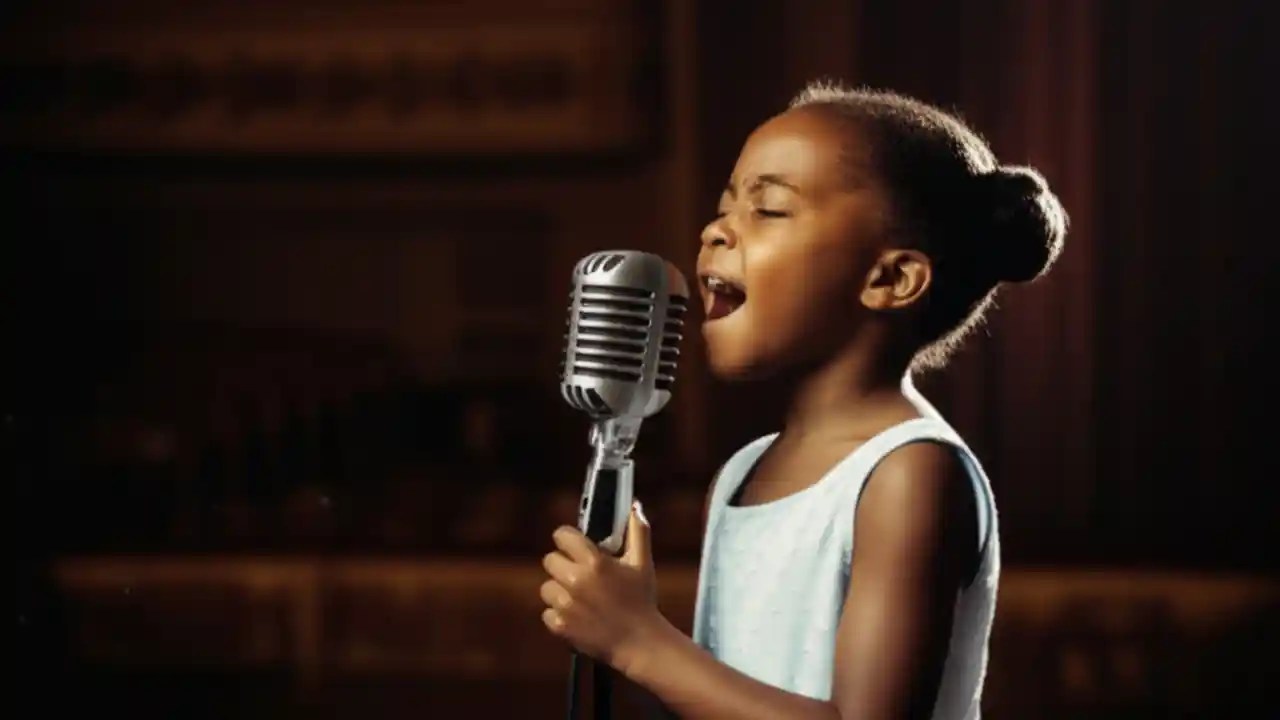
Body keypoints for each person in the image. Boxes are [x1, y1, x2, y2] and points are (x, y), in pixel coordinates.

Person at [537, 81, 1067, 719]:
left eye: (769, 210)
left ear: (891, 278)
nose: (715, 231)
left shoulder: (910, 473)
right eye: (725, 205)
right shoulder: (744, 470)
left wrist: (639, 641)